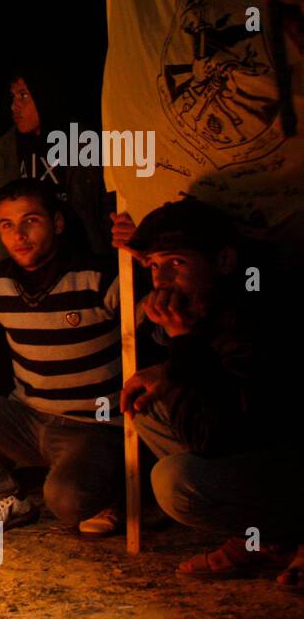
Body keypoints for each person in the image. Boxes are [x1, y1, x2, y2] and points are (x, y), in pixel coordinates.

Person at [113, 200, 302, 591]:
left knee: (176, 481)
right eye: (153, 265)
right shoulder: (210, 303)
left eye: (177, 263)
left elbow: (213, 437)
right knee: (146, 405)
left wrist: (182, 345)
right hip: (254, 446)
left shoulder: (260, 311)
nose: (161, 279)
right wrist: (169, 367)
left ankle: (286, 531)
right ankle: (263, 539)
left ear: (225, 261)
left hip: (290, 460)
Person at [0, 179, 125, 535]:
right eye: (7, 225)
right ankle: (4, 496)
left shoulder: (100, 279)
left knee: (66, 502)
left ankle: (110, 492)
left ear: (57, 223)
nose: (19, 234)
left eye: (31, 220)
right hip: (28, 419)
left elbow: (156, 330)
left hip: (92, 426)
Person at [0, 68, 115, 263]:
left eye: (23, 96)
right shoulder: (1, 154)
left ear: (45, 96)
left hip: (80, 268)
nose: (14, 106)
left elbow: (111, 213)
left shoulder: (88, 147)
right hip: (21, 273)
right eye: (13, 97)